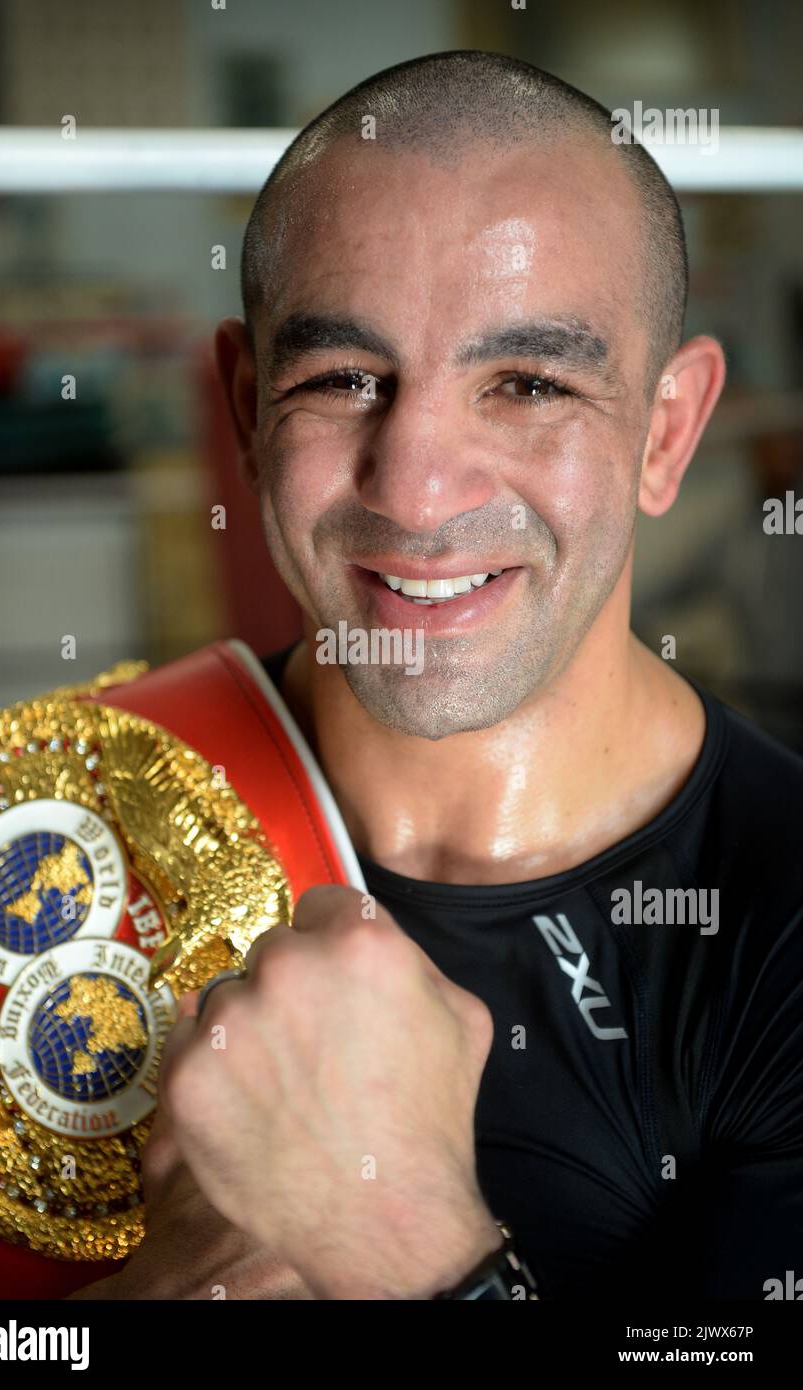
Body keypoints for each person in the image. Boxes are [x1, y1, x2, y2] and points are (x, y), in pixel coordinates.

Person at [78, 50, 803, 1300]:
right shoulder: (49, 831)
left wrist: (405, 1247)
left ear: (666, 431)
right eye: (344, 380)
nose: (415, 488)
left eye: (527, 384)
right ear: (248, 409)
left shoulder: (782, 930)